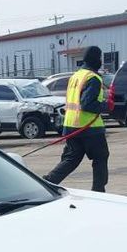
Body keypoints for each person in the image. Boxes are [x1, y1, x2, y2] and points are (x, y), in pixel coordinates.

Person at [44, 46, 111, 192]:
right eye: (100, 58)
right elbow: (87, 104)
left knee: (71, 159)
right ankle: (98, 191)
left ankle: (48, 182)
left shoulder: (75, 76)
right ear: (96, 59)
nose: (101, 61)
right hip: (89, 128)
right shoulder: (93, 78)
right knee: (100, 157)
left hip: (71, 125)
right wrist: (107, 106)